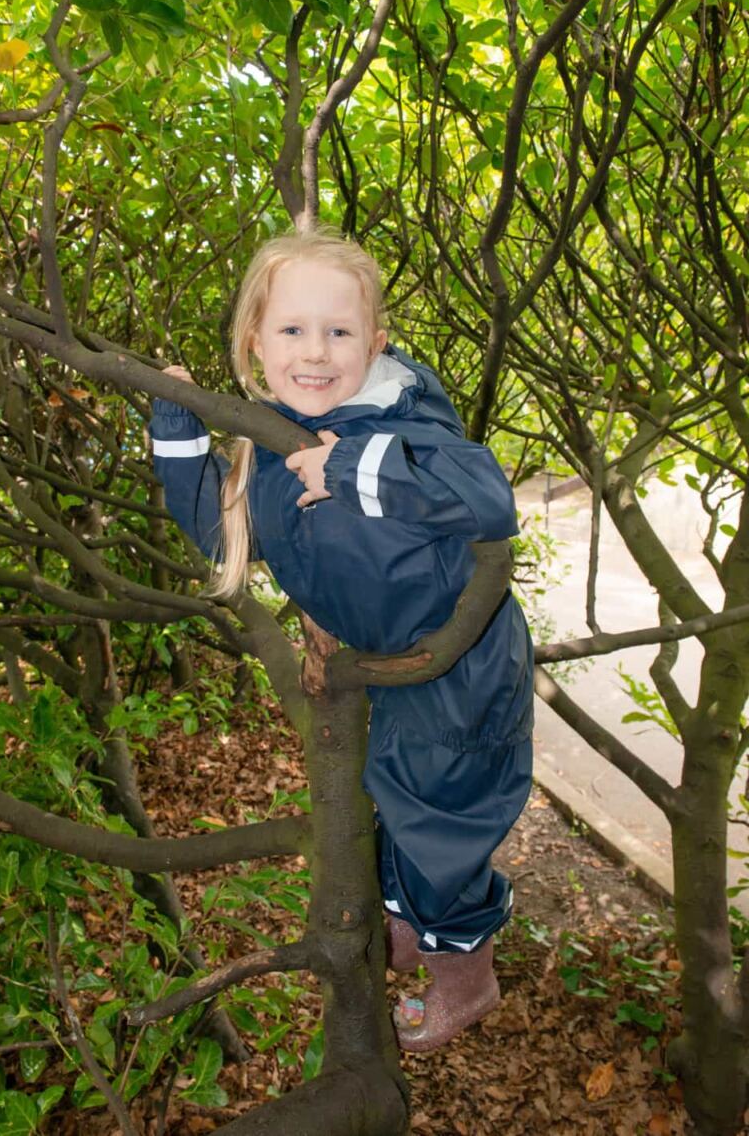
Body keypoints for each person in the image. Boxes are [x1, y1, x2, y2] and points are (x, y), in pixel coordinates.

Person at [149, 228, 534, 1052]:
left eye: (340, 332)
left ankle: (467, 975)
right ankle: (409, 923)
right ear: (255, 340)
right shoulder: (271, 437)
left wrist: (358, 468)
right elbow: (222, 532)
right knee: (393, 799)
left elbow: (488, 496)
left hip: (460, 665)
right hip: (391, 667)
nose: (315, 352)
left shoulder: (400, 419)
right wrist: (178, 423)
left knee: (440, 823)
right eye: (292, 330)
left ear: (377, 343)